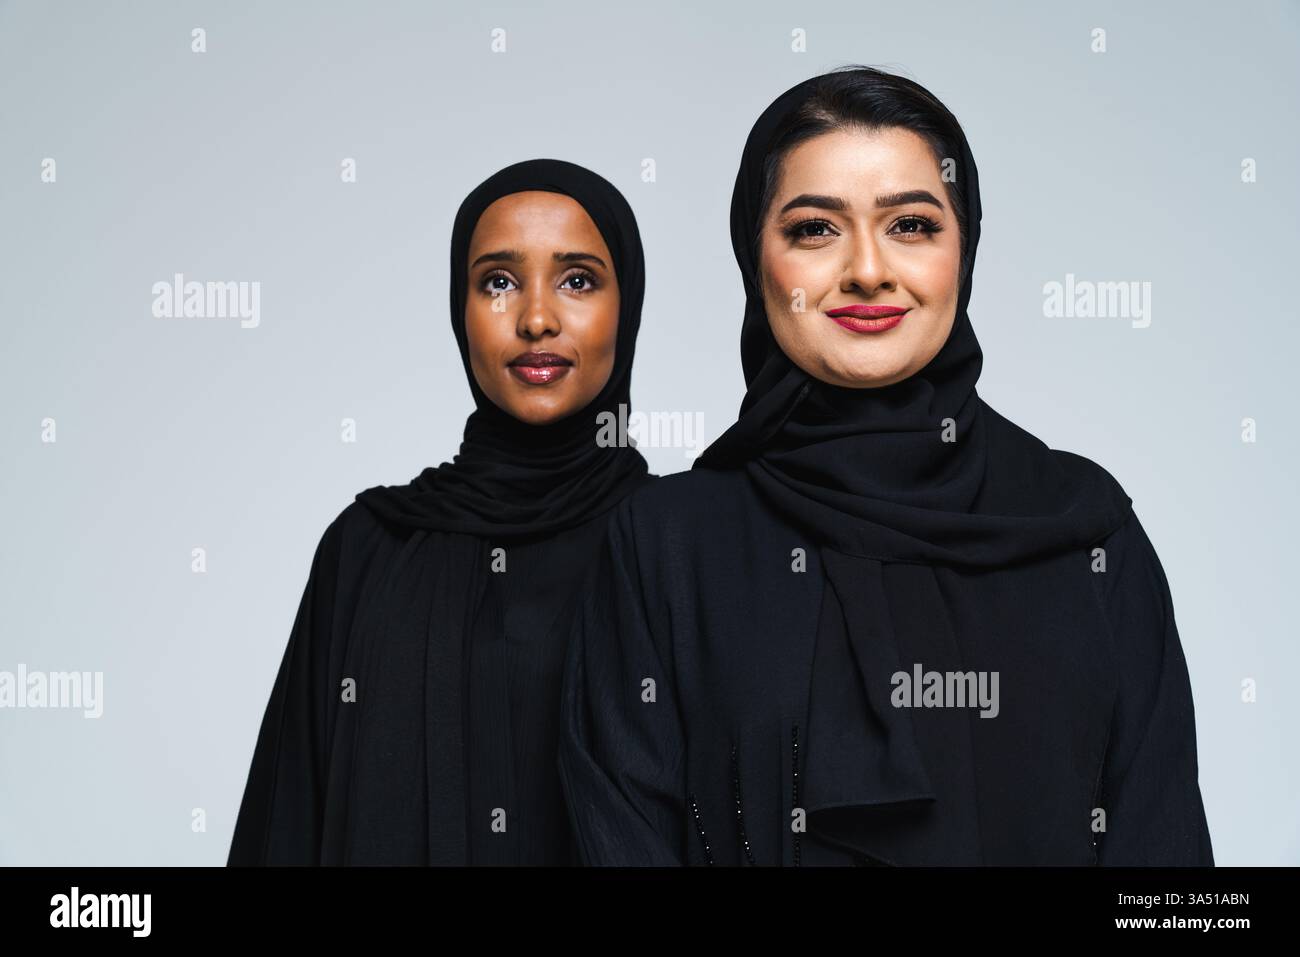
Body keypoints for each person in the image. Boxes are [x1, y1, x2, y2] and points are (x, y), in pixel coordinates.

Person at [557, 67, 1213, 866]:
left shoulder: (1087, 532)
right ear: (752, 259)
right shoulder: (667, 544)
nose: (867, 269)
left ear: (964, 249)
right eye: (814, 229)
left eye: (910, 225)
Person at [228, 159, 653, 865]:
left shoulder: (682, 543)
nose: (537, 318)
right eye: (499, 281)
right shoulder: (369, 547)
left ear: (628, 304)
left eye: (577, 279)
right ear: (459, 310)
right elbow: (288, 824)